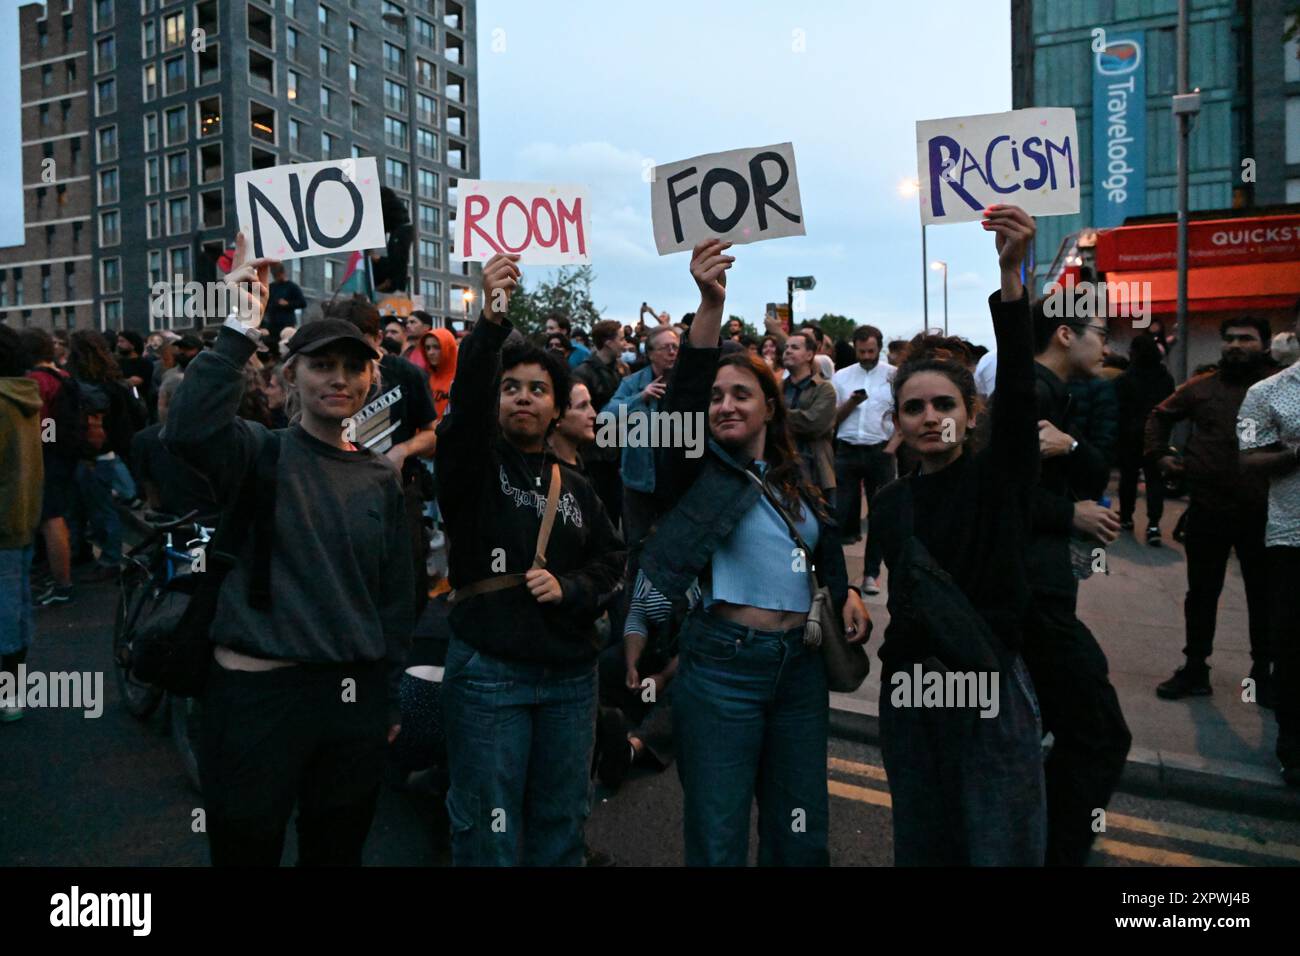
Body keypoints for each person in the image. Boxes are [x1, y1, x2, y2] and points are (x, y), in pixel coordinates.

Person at [164, 232, 415, 866]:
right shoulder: (257, 450)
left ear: (371, 378)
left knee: (335, 854)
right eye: (322, 366)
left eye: (353, 367)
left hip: (350, 704)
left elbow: (393, 598)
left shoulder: (382, 477)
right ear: (290, 377)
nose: (340, 379)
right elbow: (189, 429)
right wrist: (237, 328)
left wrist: (383, 696)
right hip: (257, 699)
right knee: (246, 850)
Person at [638, 239, 867, 866]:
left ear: (771, 405)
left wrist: (844, 596)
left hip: (800, 671)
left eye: (741, 393)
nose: (725, 404)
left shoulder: (796, 479)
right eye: (715, 397)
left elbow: (824, 546)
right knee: (717, 837)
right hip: (720, 667)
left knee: (800, 836)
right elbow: (683, 400)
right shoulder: (694, 472)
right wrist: (710, 305)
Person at [868, 203, 1045, 865]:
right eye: (914, 407)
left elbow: (1022, 390)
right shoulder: (889, 506)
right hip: (910, 696)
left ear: (972, 418)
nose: (930, 416)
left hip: (988, 689)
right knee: (924, 845)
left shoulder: (1000, 480)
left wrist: (1010, 278)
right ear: (899, 422)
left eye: (946, 404)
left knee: (997, 846)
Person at [436, 252, 625, 867]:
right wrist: (491, 318)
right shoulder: (471, 466)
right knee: (489, 834)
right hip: (491, 676)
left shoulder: (576, 487)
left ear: (554, 409)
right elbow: (462, 412)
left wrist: (570, 589)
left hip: (571, 682)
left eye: (538, 390)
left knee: (561, 825)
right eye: (510, 388)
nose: (523, 398)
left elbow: (612, 562)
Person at [1024, 276, 1132, 867]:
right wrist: (1070, 514)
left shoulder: (1058, 394)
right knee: (1099, 733)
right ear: (1065, 333)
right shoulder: (1032, 394)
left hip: (1047, 591)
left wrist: (1068, 451)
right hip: (1030, 596)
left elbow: (1094, 472)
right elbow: (998, 497)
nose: (1108, 345)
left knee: (1059, 728)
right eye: (1100, 333)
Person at [1147, 318, 1276, 701]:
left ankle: (1262, 676)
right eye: (1230, 339)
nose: (1236, 345)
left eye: (1246, 339)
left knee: (1263, 597)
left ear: (1264, 344)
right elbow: (1160, 415)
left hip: (1264, 513)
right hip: (1208, 509)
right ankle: (1195, 668)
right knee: (1201, 593)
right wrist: (1161, 455)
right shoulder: (1203, 388)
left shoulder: (1280, 388)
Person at [326, 295, 439, 619]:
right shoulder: (327, 381)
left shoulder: (405, 374)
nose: (348, 362)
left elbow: (434, 435)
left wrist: (402, 450)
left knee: (406, 584)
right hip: (338, 494)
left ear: (377, 339)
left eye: (359, 348)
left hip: (399, 494)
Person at [1239, 315, 1300, 785]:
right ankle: (1292, 749)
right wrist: (1294, 454)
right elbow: (1248, 458)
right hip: (1291, 538)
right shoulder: (1265, 394)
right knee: (1292, 645)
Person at [66, 330, 144, 580]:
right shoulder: (115, 381)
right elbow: (136, 414)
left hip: (90, 454)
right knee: (100, 507)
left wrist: (50, 441)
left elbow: (59, 422)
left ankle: (108, 559)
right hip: (108, 452)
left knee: (97, 509)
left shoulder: (79, 384)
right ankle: (100, 555)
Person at [0, 324, 44, 722]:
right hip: (22, 514)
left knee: (6, 610)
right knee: (15, 607)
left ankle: (10, 695)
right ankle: (13, 690)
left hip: (3, 522)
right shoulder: (24, 395)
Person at [831, 324, 895, 593]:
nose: (867, 356)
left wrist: (893, 446)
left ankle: (871, 573)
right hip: (847, 449)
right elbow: (831, 419)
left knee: (880, 513)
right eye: (862, 351)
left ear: (879, 348)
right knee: (839, 512)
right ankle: (835, 573)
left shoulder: (894, 375)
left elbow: (902, 413)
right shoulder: (842, 376)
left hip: (880, 450)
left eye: (871, 351)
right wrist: (851, 404)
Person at [606, 324, 679, 552]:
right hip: (638, 481)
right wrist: (641, 397)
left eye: (676, 347)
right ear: (650, 354)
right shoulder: (633, 383)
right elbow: (607, 415)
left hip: (674, 481)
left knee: (673, 546)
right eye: (666, 347)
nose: (672, 352)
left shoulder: (685, 382)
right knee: (637, 545)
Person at [20, 329, 77, 607]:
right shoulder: (62, 376)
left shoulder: (36, 382)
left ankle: (62, 584)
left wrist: (42, 447)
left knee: (50, 519)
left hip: (46, 459)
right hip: (64, 457)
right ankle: (61, 579)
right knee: (56, 517)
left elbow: (43, 424)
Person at [1114, 333, 1174, 544]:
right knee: (1155, 480)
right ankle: (1154, 524)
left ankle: (1127, 517)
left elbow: (1117, 410)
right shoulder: (1165, 378)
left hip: (1129, 436)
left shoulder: (1124, 379)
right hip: (1156, 437)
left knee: (1128, 478)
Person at [573, 319, 628, 527]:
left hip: (616, 453)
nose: (624, 343)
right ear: (608, 342)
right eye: (620, 339)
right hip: (594, 455)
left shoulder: (620, 370)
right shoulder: (583, 373)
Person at [782, 329, 837, 503]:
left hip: (815, 470)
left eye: (795, 347)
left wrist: (779, 416)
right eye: (786, 347)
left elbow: (813, 423)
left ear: (809, 355)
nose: (788, 351)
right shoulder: (777, 389)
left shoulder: (824, 389)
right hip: (783, 467)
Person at [418, 327, 458, 421]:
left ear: (448, 348)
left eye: (437, 347)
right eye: (427, 348)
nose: (430, 352)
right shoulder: (426, 379)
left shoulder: (460, 379)